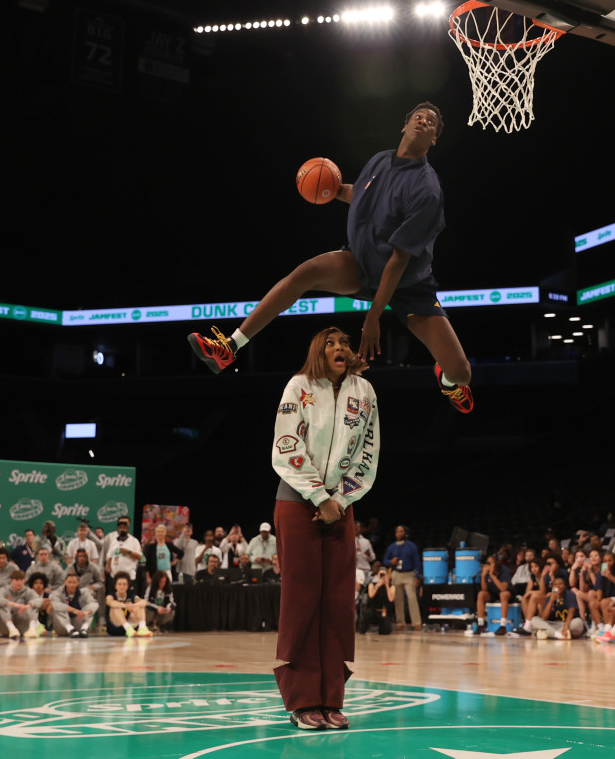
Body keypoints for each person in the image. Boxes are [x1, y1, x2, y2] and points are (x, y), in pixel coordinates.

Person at [187, 102, 474, 414]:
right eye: (417, 116)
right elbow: (363, 195)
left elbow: (399, 259)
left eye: (430, 121)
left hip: (408, 287)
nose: (423, 121)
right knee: (305, 273)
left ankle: (446, 383)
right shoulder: (380, 160)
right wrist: (333, 190)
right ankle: (229, 348)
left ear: (433, 139)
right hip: (362, 264)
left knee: (461, 372)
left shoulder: (426, 189)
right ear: (404, 126)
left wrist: (373, 317)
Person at [270, 326, 380, 731]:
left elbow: (368, 452)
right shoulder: (298, 387)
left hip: (341, 505)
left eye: (344, 343)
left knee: (337, 603)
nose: (339, 348)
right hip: (297, 500)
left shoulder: (365, 393)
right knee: (302, 599)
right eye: (330, 344)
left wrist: (342, 500)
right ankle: (302, 702)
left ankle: (331, 698)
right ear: (318, 352)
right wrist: (319, 496)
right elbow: (286, 447)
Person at [384, 525, 422, 631]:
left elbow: (417, 562)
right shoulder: (392, 547)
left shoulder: (411, 546)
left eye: (401, 531)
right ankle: (400, 622)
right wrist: (391, 562)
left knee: (412, 598)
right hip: (397, 574)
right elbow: (385, 560)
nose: (399, 533)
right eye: (398, 531)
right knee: (398, 600)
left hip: (409, 574)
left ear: (405, 533)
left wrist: (417, 575)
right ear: (395, 534)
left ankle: (417, 622)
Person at [530, 573, 585, 640]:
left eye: (560, 584)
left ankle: (548, 633)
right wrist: (551, 601)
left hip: (568, 624)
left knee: (578, 622)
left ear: (564, 586)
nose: (557, 586)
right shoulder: (550, 597)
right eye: (555, 584)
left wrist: (565, 627)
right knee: (534, 619)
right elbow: (544, 618)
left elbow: (571, 612)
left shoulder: (570, 595)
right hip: (553, 625)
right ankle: (557, 634)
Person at [0, 570, 41, 639]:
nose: (19, 582)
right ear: (11, 581)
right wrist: (14, 604)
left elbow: (39, 600)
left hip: (21, 622)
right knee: (3, 605)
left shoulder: (28, 591)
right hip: (5, 624)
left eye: (21, 580)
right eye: (16, 580)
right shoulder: (4, 589)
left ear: (24, 581)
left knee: (33, 605)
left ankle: (32, 628)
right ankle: (11, 628)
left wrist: (27, 606)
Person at [472, 554, 512, 636]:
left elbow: (503, 588)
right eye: (487, 563)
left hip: (507, 593)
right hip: (493, 593)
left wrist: (492, 576)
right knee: (481, 594)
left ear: (497, 563)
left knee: (503, 594)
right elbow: (484, 589)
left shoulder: (504, 570)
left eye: (491, 563)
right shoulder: (486, 572)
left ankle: (503, 626)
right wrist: (483, 576)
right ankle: (481, 624)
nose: (489, 565)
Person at [49, 572, 96, 638]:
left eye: (74, 582)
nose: (72, 585)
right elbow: (55, 604)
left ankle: (84, 629)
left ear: (78, 583)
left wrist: (85, 612)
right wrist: (73, 610)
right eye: (69, 582)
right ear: (65, 582)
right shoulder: (57, 592)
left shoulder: (84, 592)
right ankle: (70, 629)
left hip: (78, 622)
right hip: (62, 625)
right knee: (59, 608)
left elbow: (94, 604)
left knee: (90, 608)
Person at [105, 573, 150, 637]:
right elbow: (110, 602)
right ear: (115, 586)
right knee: (115, 607)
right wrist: (125, 605)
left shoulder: (131, 595)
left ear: (127, 586)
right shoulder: (111, 596)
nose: (122, 586)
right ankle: (127, 628)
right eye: (119, 584)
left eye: (124, 584)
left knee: (140, 606)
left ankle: (142, 627)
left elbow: (144, 602)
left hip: (131, 624)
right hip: (116, 627)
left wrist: (133, 606)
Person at [103, 517, 142, 592]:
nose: (122, 530)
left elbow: (140, 557)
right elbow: (109, 555)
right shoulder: (114, 541)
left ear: (127, 529)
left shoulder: (134, 541)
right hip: (114, 576)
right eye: (120, 528)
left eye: (124, 528)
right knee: (113, 599)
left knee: (128, 600)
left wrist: (128, 551)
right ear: (118, 529)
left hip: (129, 576)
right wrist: (107, 566)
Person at [358, 566, 395, 635]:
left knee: (385, 632)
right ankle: (363, 628)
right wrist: (378, 585)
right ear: (377, 576)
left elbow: (391, 599)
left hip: (384, 611)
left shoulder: (391, 587)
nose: (382, 577)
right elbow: (371, 595)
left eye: (384, 575)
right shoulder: (372, 585)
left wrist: (387, 585)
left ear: (387, 575)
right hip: (372, 610)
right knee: (366, 614)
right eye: (381, 575)